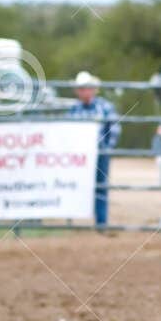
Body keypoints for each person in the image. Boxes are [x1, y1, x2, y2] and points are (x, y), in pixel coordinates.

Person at [67, 71, 120, 228]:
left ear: (94, 89)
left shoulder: (105, 107)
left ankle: (101, 222)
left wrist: (108, 147)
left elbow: (115, 128)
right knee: (75, 184)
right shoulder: (74, 109)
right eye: (81, 88)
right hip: (79, 153)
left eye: (88, 88)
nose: (85, 92)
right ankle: (72, 220)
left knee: (100, 186)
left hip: (100, 151)